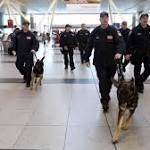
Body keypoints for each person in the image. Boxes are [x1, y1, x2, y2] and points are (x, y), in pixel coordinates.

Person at [84, 12, 125, 112]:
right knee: (102, 81)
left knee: (109, 80)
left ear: (108, 19)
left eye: (106, 18)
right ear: (100, 20)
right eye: (102, 18)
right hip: (99, 62)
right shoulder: (95, 32)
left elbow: (121, 42)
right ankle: (105, 101)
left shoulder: (113, 30)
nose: (104, 20)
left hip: (112, 62)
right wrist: (86, 58)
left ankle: (106, 93)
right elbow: (89, 45)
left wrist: (119, 52)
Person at [126, 13, 150, 93]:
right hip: (137, 54)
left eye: (146, 18)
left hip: (147, 53)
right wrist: (128, 53)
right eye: (143, 18)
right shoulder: (135, 30)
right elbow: (129, 42)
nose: (145, 19)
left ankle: (139, 81)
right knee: (137, 70)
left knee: (148, 69)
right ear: (140, 20)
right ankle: (138, 85)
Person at [12, 21, 39, 87]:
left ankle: (28, 81)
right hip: (20, 53)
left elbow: (35, 43)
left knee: (28, 68)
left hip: (29, 54)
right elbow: (14, 43)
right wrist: (13, 50)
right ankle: (26, 75)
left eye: (27, 26)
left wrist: (34, 49)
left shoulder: (31, 34)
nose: (26, 27)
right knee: (18, 65)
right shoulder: (18, 34)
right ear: (22, 26)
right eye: (25, 25)